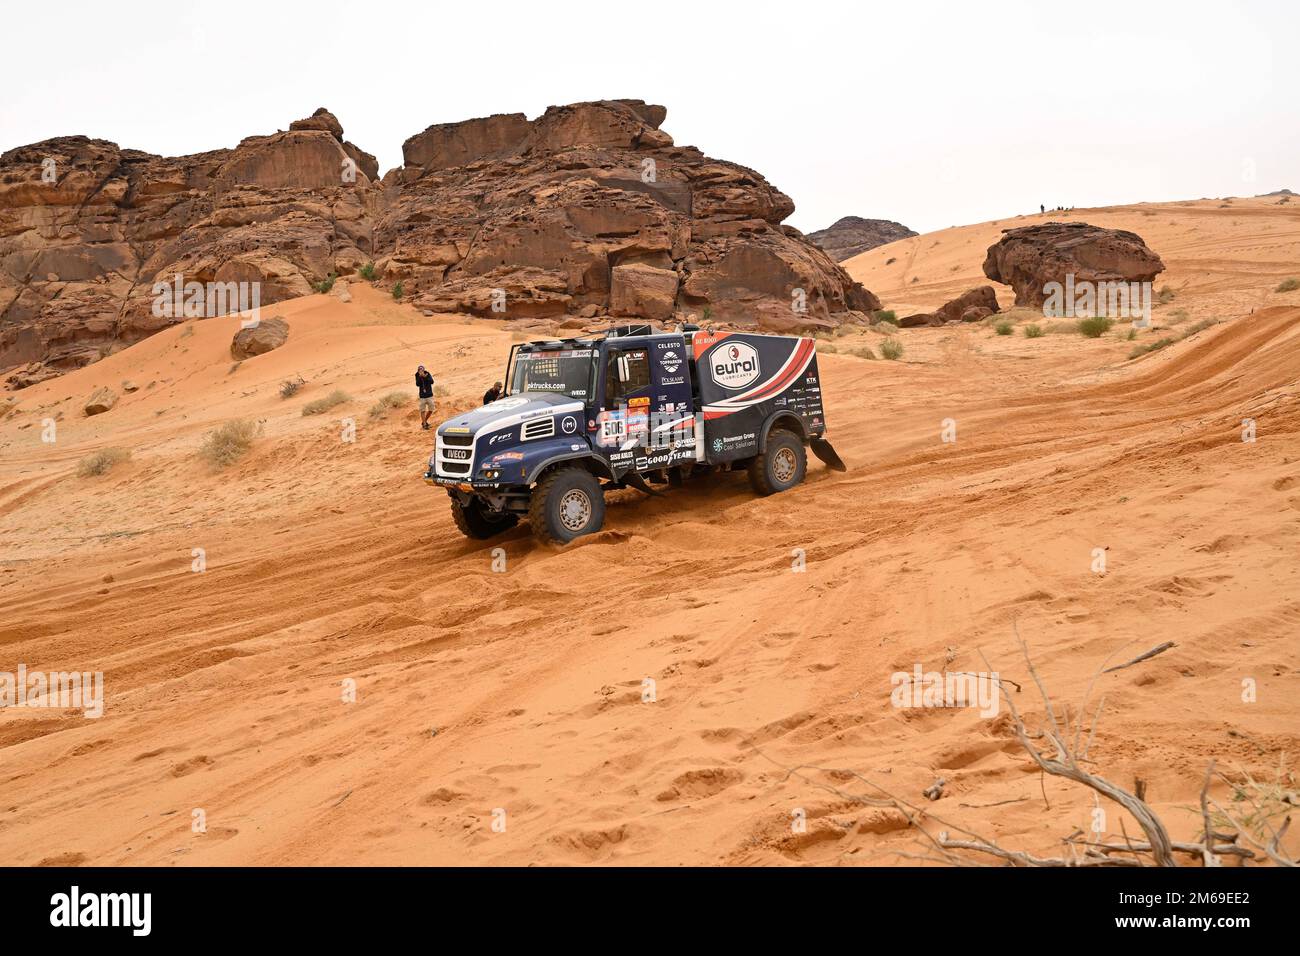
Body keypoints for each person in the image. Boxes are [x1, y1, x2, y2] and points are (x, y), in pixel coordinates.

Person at [415, 365, 435, 430]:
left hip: (429, 395)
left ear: (424, 370)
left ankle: (424, 421)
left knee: (431, 409)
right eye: (419, 370)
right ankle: (424, 424)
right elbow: (417, 384)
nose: (421, 371)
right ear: (418, 371)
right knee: (422, 410)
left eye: (422, 370)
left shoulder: (427, 374)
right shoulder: (417, 375)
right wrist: (420, 377)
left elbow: (432, 382)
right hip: (422, 396)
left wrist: (425, 377)